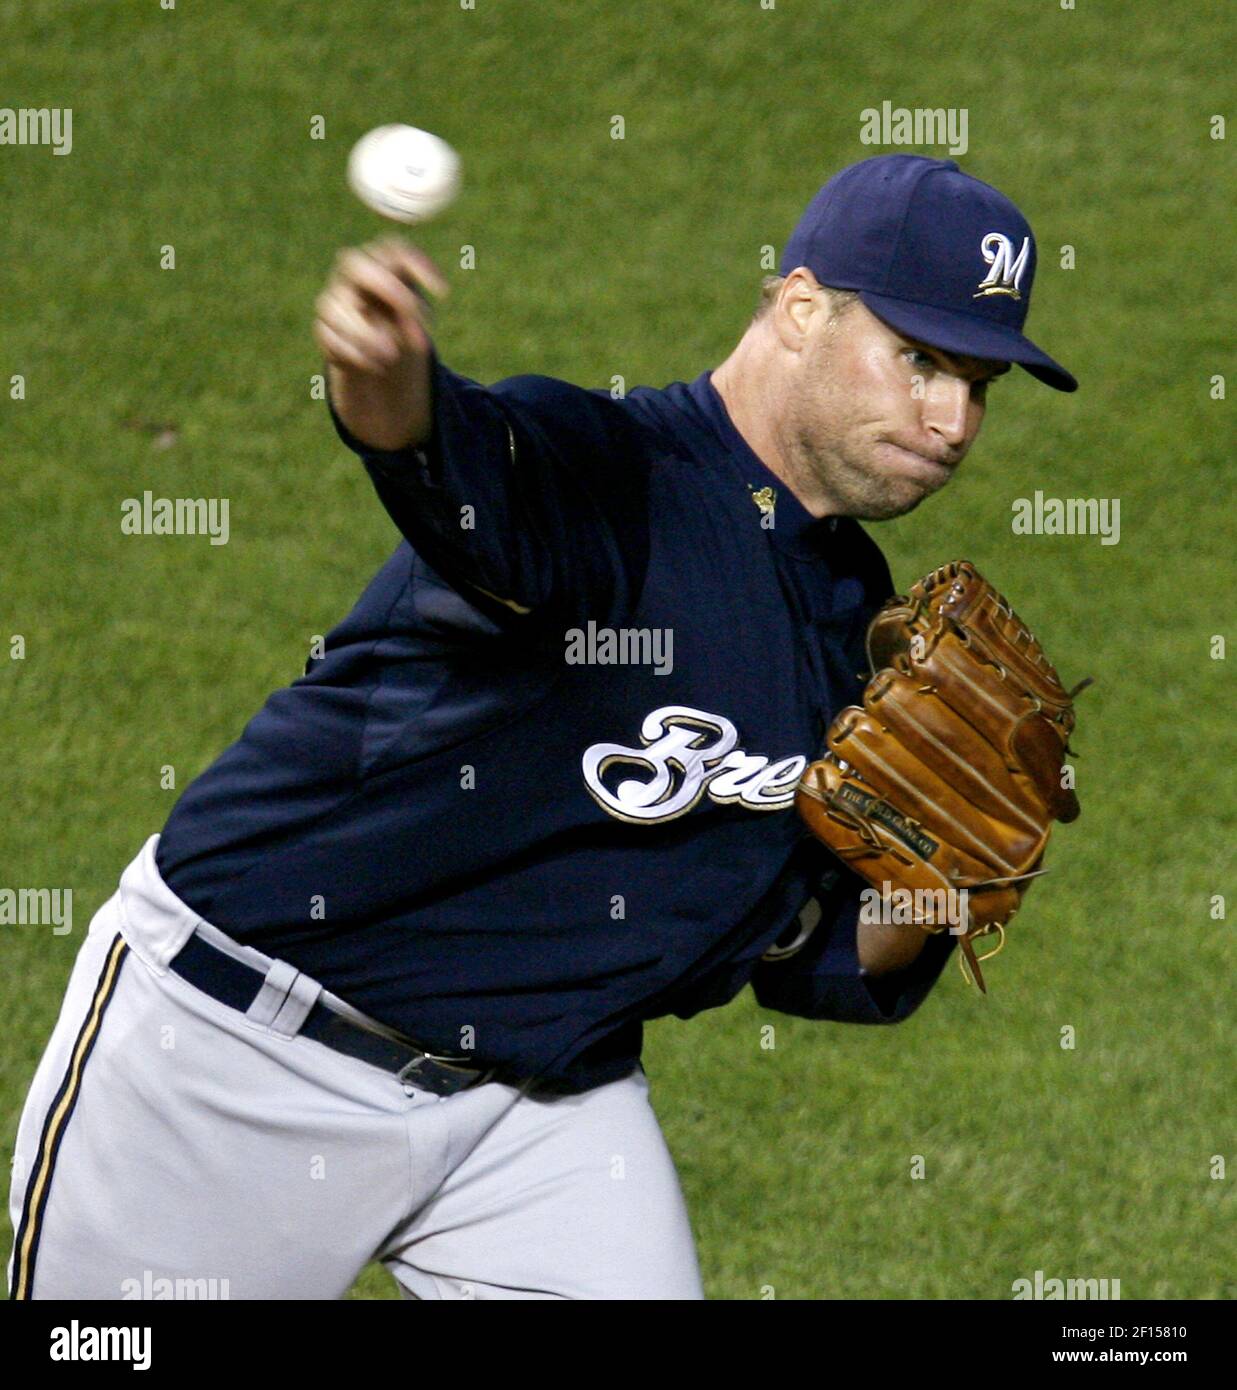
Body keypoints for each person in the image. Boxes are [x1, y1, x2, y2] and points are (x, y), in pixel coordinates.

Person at [8, 154, 1075, 1301]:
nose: (952, 418)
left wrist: (938, 886)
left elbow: (801, 950)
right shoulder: (604, 471)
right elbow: (460, 472)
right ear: (801, 307)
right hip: (240, 1057)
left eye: (980, 385)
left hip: (540, 1110)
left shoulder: (853, 626)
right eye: (919, 360)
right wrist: (388, 389)